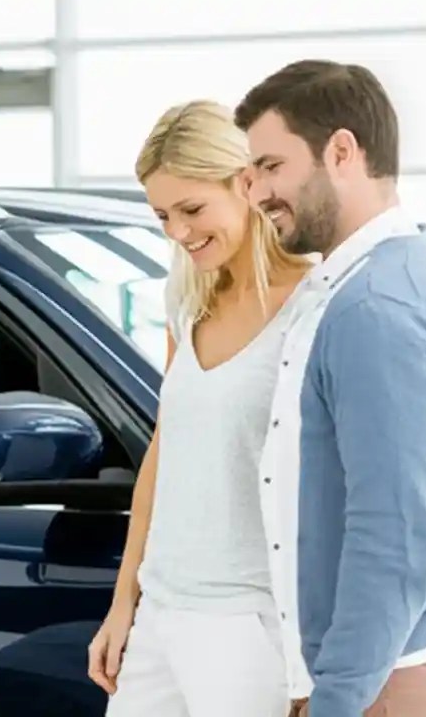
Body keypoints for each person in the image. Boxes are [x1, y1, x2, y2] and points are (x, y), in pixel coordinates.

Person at [236, 60, 426, 716]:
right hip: (387, 677)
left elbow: (395, 538)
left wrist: (335, 702)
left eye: (274, 166)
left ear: (341, 152)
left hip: (393, 683)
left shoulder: (378, 305)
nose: (258, 192)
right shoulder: (390, 276)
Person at [86, 98, 316, 715]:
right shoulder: (187, 297)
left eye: (191, 210)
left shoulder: (316, 302)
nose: (177, 233)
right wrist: (124, 603)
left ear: (245, 183)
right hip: (161, 612)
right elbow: (167, 449)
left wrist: (306, 662)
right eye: (162, 215)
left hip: (251, 623)